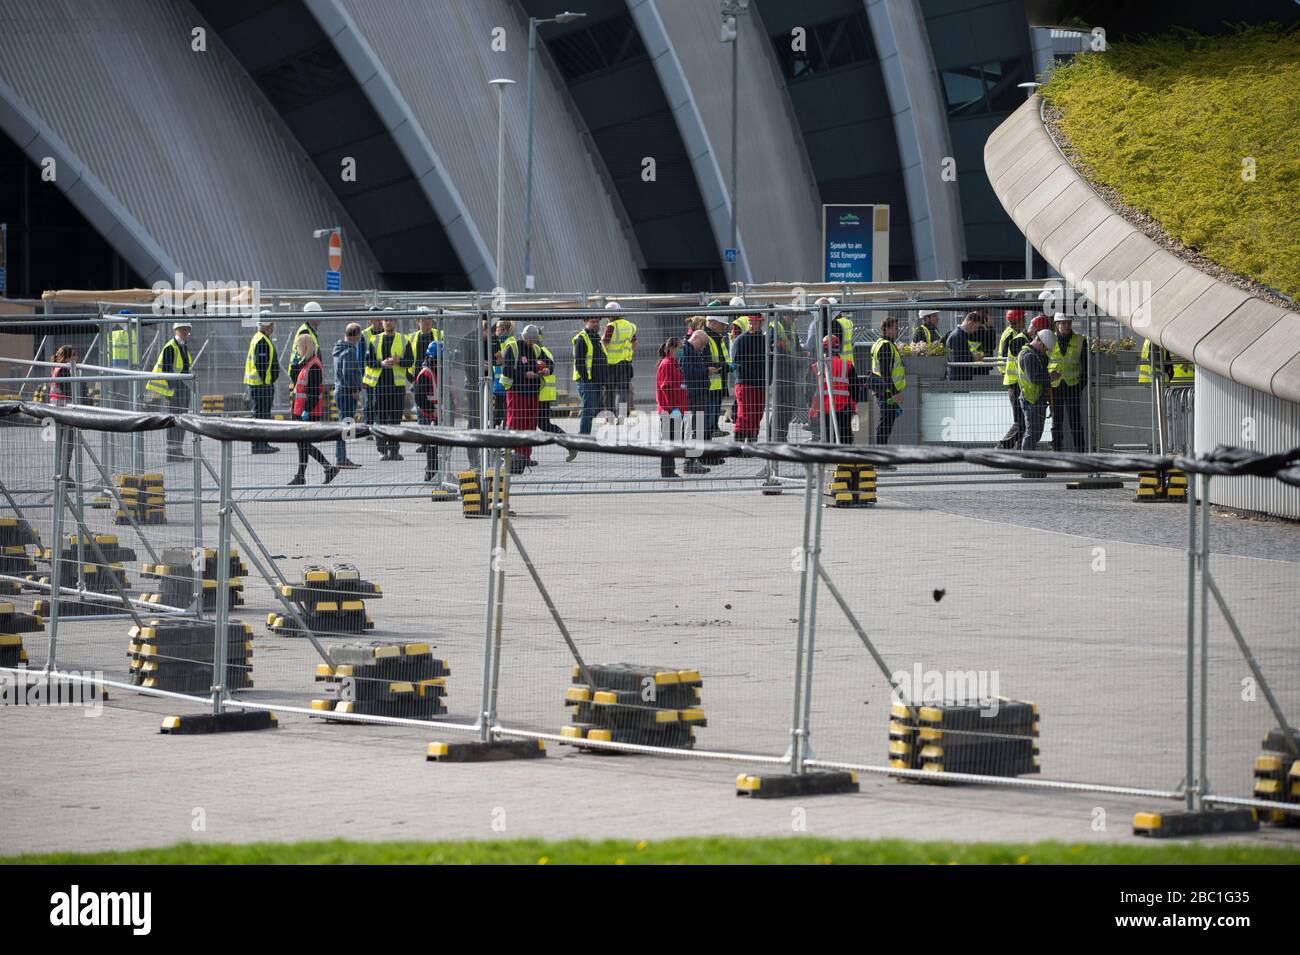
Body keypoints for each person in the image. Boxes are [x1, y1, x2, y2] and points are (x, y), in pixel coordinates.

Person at [287, 334, 339, 486]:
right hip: (300, 410)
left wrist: (306, 411)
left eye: (298, 346)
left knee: (303, 444)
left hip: (307, 412)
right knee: (303, 444)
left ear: (304, 347)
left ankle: (327, 467)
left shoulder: (314, 365)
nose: (296, 350)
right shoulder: (307, 363)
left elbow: (314, 392)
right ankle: (302, 476)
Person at [363, 317, 411, 460]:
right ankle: (383, 451)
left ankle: (394, 451)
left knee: (396, 420)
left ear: (395, 322)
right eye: (386, 320)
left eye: (391, 320)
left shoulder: (403, 339)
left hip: (397, 388)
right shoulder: (374, 340)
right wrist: (381, 363)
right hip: (380, 387)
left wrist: (399, 361)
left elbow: (411, 361)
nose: (388, 323)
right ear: (382, 323)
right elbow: (369, 361)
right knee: (381, 419)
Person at [503, 325, 548, 474]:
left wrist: (548, 369)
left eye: (535, 340)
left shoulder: (536, 349)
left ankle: (525, 456)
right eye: (531, 340)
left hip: (532, 392)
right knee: (515, 423)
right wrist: (524, 374)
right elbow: (507, 370)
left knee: (530, 424)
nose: (533, 343)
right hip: (517, 392)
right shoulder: (513, 348)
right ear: (524, 337)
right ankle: (511, 456)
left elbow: (548, 362)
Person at [146, 320, 193, 461]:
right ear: (175, 330)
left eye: (187, 330)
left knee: (181, 421)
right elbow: (167, 370)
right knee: (174, 421)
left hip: (182, 388)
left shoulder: (183, 346)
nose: (185, 332)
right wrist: (173, 389)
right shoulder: (171, 347)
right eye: (182, 330)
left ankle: (177, 450)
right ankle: (172, 453)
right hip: (175, 391)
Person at [567, 315, 608, 462]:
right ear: (586, 322)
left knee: (593, 409)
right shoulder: (582, 338)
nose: (596, 324)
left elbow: (602, 359)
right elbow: (579, 361)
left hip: (596, 381)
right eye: (593, 322)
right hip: (587, 381)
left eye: (597, 322)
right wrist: (586, 378)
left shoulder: (597, 339)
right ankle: (582, 439)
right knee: (588, 409)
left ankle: (585, 437)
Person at [1048, 313, 1088, 452]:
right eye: (1063, 323)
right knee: (1056, 421)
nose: (1066, 326)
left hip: (1073, 386)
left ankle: (1080, 451)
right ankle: (1057, 449)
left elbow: (1085, 365)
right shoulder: (1049, 339)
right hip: (1055, 387)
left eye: (1068, 322)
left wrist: (1080, 385)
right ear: (1057, 324)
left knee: (1075, 421)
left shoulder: (1080, 340)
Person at [244, 313, 280, 454]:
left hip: (260, 384)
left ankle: (262, 443)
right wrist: (267, 382)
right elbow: (262, 365)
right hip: (261, 385)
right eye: (272, 325)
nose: (273, 328)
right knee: (261, 415)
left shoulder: (261, 338)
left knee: (262, 415)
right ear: (267, 326)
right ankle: (259, 445)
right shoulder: (262, 341)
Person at [678, 331, 712, 475]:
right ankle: (690, 462)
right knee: (695, 429)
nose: (702, 348)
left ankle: (692, 461)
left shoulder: (689, 350)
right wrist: (706, 371)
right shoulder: (686, 350)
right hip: (694, 395)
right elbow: (688, 371)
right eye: (702, 344)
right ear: (696, 338)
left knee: (696, 428)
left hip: (696, 393)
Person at [768, 309, 804, 443]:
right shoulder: (775, 327)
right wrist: (779, 346)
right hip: (780, 372)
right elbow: (771, 347)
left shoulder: (791, 326)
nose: (793, 319)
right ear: (784, 315)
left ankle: (781, 436)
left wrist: (802, 352)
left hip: (791, 371)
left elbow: (795, 344)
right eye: (792, 316)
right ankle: (776, 437)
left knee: (789, 405)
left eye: (794, 317)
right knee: (780, 406)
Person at [331, 323, 365, 468]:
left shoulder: (339, 349)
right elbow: (347, 372)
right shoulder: (350, 351)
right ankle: (341, 458)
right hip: (346, 393)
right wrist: (354, 389)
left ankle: (342, 457)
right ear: (356, 335)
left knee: (343, 424)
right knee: (344, 426)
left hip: (340, 390)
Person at [996, 309, 1030, 449]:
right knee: (1020, 421)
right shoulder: (1011, 335)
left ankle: (1018, 447)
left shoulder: (1014, 333)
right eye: (1023, 318)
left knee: (1021, 420)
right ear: (1018, 320)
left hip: (1015, 381)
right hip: (1014, 382)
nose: (1025, 321)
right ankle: (1003, 446)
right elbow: (1008, 359)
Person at [810, 335, 854, 445]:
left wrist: (812, 408)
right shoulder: (847, 365)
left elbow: (810, 390)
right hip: (844, 408)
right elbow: (855, 388)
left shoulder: (816, 366)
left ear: (823, 349)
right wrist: (853, 405)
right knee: (845, 439)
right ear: (838, 348)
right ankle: (844, 461)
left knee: (828, 440)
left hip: (824, 409)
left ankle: (829, 460)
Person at [729, 313, 767, 441]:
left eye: (754, 323)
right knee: (745, 414)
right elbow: (735, 362)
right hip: (746, 383)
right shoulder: (741, 340)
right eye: (750, 323)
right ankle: (739, 444)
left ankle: (751, 441)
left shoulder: (764, 340)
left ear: (761, 323)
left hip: (760, 383)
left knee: (757, 413)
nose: (751, 326)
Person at [655, 337, 688, 478]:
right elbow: (665, 387)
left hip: (674, 408)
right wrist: (672, 408)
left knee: (672, 440)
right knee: (669, 440)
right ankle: (667, 471)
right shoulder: (667, 364)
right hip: (669, 410)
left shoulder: (673, 363)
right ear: (672, 348)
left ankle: (669, 470)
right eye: (680, 348)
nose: (682, 351)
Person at [870, 317, 905, 445]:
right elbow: (885, 373)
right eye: (896, 328)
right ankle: (880, 456)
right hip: (886, 391)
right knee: (885, 423)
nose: (898, 331)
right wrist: (895, 392)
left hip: (884, 389)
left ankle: (881, 455)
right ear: (887, 329)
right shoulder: (885, 345)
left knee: (887, 422)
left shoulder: (884, 343)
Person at [1018, 329, 1055, 453]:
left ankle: (1028, 464)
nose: (1045, 352)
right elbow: (1034, 378)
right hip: (1031, 400)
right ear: (1040, 343)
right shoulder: (1028, 356)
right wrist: (1051, 377)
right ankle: (1026, 465)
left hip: (1035, 398)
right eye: (1045, 349)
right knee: (1032, 433)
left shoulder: (1035, 355)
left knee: (1035, 433)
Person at [412, 341, 441, 482]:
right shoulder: (425, 374)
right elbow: (419, 398)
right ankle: (431, 472)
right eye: (437, 359)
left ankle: (437, 471)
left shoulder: (440, 370)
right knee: (432, 445)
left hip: (439, 414)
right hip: (429, 415)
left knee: (440, 445)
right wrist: (432, 411)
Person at [602, 301, 637, 416]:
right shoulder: (630, 326)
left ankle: (610, 414)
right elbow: (634, 343)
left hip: (611, 363)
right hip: (626, 363)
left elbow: (605, 342)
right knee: (623, 390)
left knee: (609, 390)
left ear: (611, 315)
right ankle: (622, 413)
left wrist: (606, 353)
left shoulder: (611, 326)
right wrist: (629, 354)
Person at [703, 314, 730, 438]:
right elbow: (707, 361)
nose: (724, 327)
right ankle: (710, 429)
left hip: (717, 380)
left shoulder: (716, 337)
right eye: (722, 324)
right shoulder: (705, 338)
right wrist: (725, 365)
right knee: (711, 407)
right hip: (711, 381)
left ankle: (713, 428)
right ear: (713, 323)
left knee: (715, 406)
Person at [534, 328, 564, 435]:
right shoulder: (544, 350)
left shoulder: (539, 351)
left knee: (542, 424)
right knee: (542, 424)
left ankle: (564, 437)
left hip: (541, 393)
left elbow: (549, 366)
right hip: (543, 393)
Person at [287, 301, 322, 385]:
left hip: (305, 371)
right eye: (319, 315)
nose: (320, 318)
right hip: (302, 372)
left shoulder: (309, 330)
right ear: (313, 316)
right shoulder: (305, 331)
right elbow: (304, 356)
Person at [360, 309, 385, 425]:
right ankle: (368, 428)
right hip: (369, 376)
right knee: (369, 402)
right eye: (377, 319)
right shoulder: (364, 335)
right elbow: (360, 358)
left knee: (381, 403)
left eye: (381, 318)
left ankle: (380, 428)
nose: (379, 321)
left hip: (383, 375)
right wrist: (362, 378)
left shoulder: (387, 333)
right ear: (370, 321)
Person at [944, 313, 982, 382]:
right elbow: (956, 359)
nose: (976, 330)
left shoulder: (959, 335)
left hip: (959, 377)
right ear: (969, 323)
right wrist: (973, 357)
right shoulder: (957, 336)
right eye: (975, 327)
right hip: (958, 379)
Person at [490, 318, 513, 428]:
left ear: (504, 330)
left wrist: (501, 360)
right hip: (498, 385)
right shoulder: (498, 342)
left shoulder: (510, 343)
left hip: (506, 385)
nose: (496, 332)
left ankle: (505, 438)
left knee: (505, 413)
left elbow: (510, 361)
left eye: (498, 330)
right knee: (497, 414)